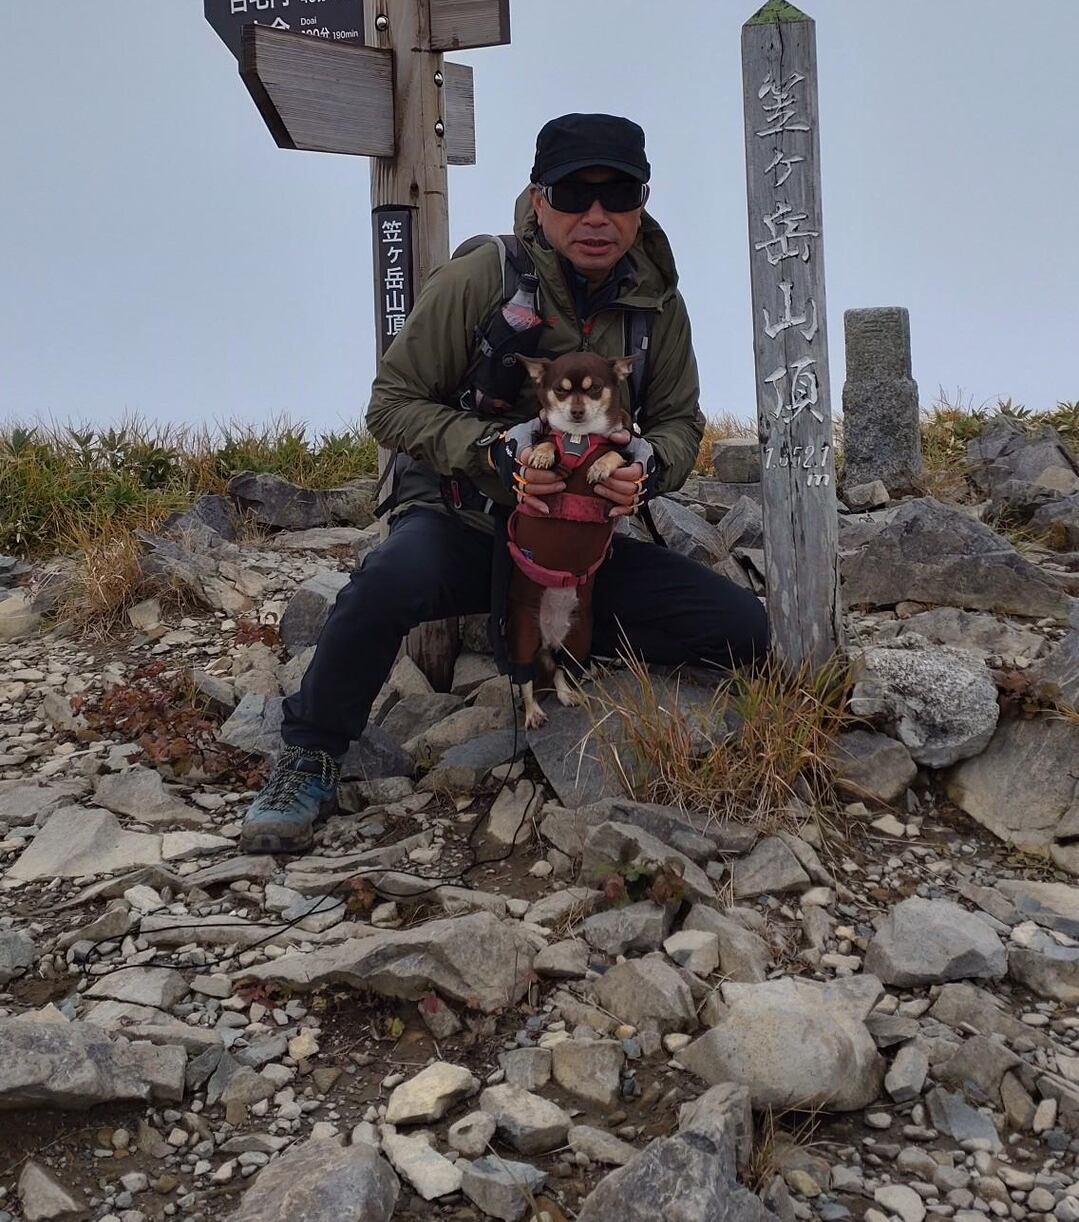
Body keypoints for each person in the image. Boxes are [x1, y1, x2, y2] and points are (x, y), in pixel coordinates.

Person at [241, 113, 769, 851]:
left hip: (579, 544)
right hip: (464, 520)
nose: (596, 216)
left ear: (641, 201)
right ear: (537, 197)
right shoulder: (481, 277)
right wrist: (490, 452)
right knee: (387, 582)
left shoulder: (655, 306)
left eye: (616, 195)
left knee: (745, 631)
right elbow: (390, 405)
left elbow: (680, 422)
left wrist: (649, 470)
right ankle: (311, 753)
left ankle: (543, 643)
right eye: (572, 194)